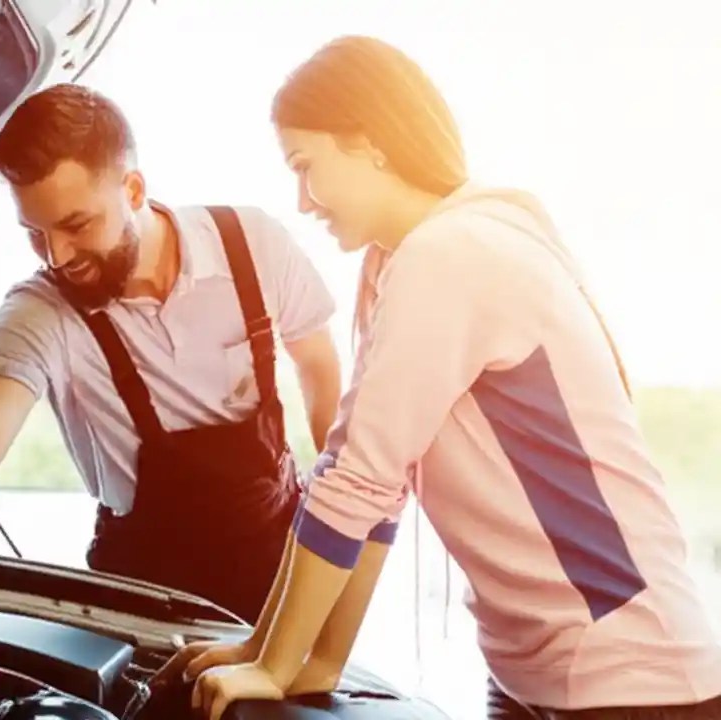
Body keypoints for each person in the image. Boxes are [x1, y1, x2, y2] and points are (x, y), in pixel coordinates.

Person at [178, 35, 721, 720]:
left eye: (306, 165)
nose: (303, 200)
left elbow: (360, 481)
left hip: (630, 677)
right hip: (529, 672)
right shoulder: (396, 261)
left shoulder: (453, 252)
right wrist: (290, 660)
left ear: (370, 142)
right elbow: (366, 482)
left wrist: (276, 666)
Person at [0, 83, 343, 638]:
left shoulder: (253, 245)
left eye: (77, 226)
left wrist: (339, 499)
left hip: (284, 570)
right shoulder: (40, 310)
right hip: (143, 600)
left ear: (134, 189)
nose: (57, 257)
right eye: (35, 234)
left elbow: (316, 363)